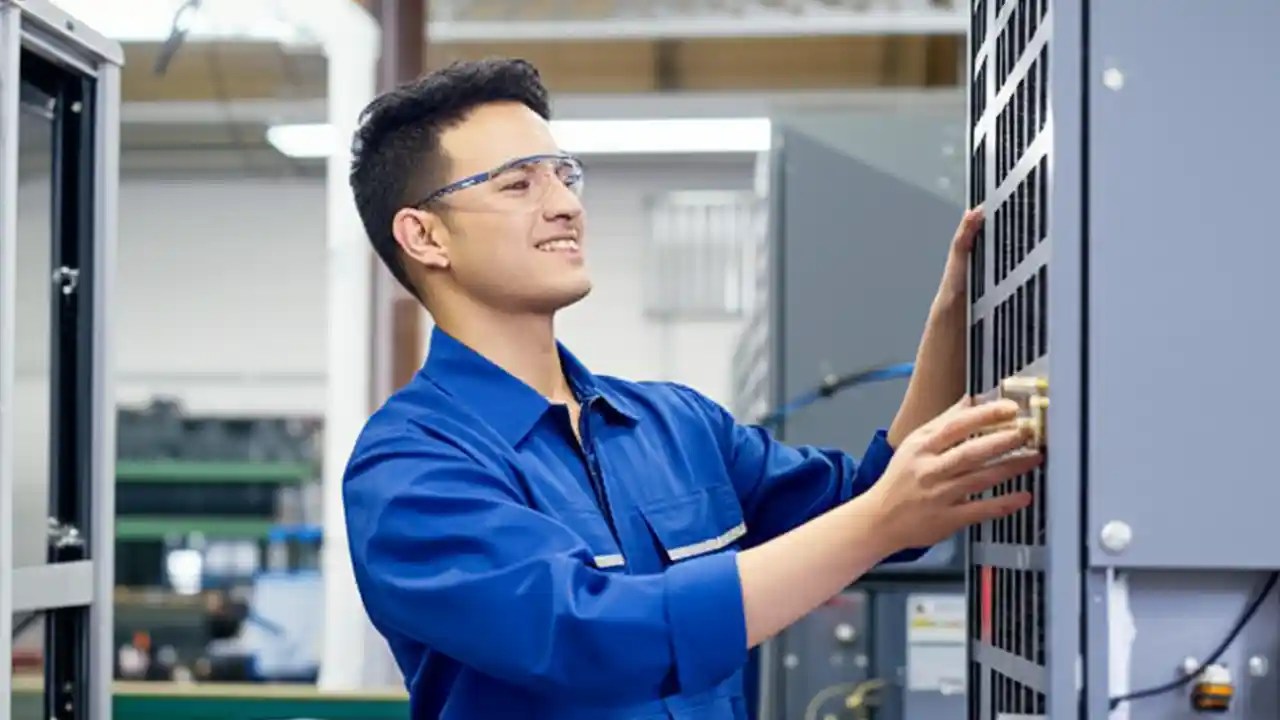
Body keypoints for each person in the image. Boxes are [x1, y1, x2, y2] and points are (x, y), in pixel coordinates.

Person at [341, 57, 1040, 720]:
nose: (565, 206)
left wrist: (956, 317)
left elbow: (873, 513)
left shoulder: (673, 425)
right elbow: (589, 635)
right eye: (519, 184)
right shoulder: (410, 472)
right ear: (425, 235)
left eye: (564, 176)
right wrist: (883, 517)